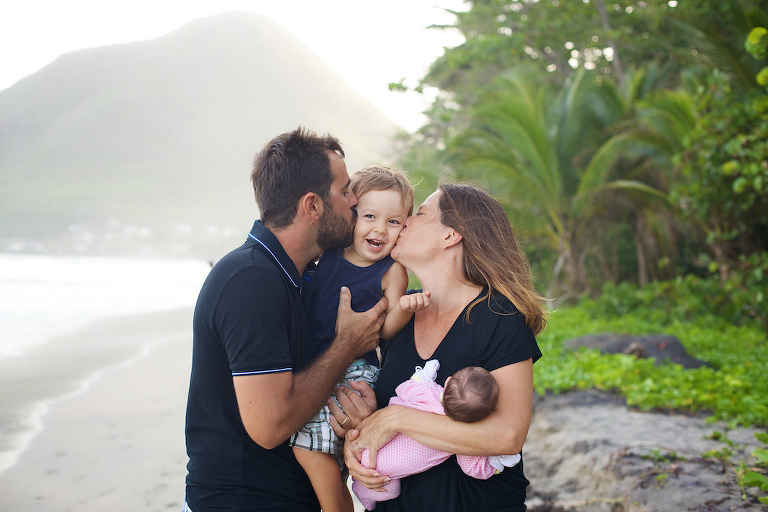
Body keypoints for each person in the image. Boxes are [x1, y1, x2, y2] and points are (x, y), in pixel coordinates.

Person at [184, 127, 389, 512]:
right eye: (344, 190)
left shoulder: (296, 277)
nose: (355, 200)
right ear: (312, 205)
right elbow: (270, 426)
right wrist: (347, 346)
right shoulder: (251, 281)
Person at [328, 182, 547, 512]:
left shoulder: (499, 316)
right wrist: (360, 439)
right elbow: (387, 417)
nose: (404, 221)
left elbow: (508, 435)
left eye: (419, 214)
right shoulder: (400, 315)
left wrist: (395, 419)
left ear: (450, 235)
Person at [289, 166, 424, 512]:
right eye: (369, 216)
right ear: (350, 216)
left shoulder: (392, 271)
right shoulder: (331, 253)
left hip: (353, 370)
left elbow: (387, 329)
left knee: (309, 449)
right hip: (317, 362)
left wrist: (405, 308)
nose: (380, 229)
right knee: (324, 453)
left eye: (393, 222)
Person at [352, 359, 521, 510]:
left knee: (375, 487)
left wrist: (424, 375)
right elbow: (473, 468)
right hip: (380, 471)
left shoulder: (428, 394)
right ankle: (367, 499)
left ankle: (363, 495)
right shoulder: (458, 440)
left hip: (368, 446)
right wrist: (496, 461)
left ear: (447, 383)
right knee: (389, 491)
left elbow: (406, 388)